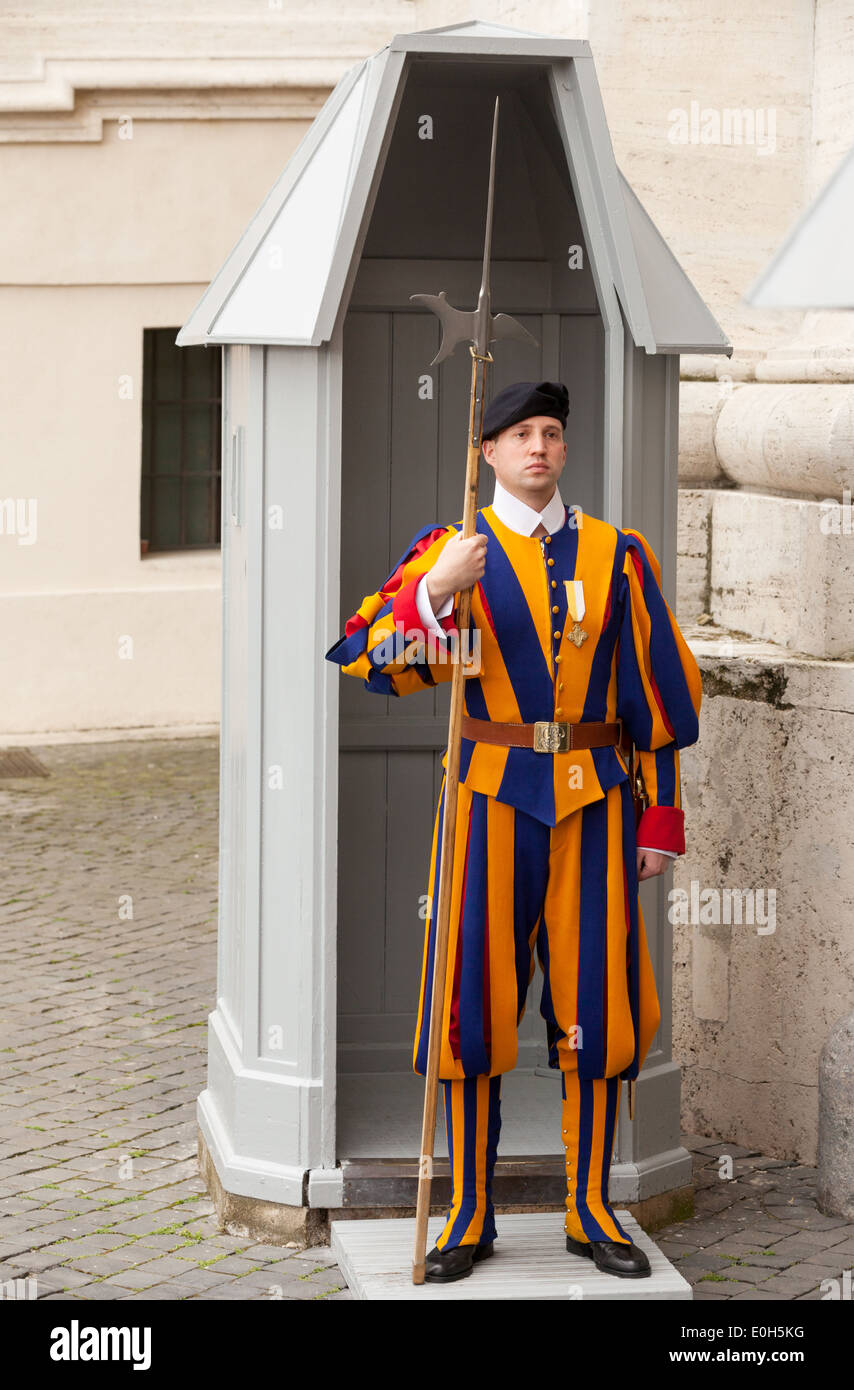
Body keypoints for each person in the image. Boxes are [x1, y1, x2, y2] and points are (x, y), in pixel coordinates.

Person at [325, 380, 702, 1283]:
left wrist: (660, 821)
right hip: (490, 800)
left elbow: (661, 702)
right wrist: (434, 598)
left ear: (564, 450)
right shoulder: (451, 552)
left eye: (551, 433)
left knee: (598, 1009)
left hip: (599, 803)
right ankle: (467, 1213)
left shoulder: (620, 554)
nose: (538, 447)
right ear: (486, 453)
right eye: (519, 434)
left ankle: (590, 1206)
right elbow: (378, 666)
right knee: (472, 1007)